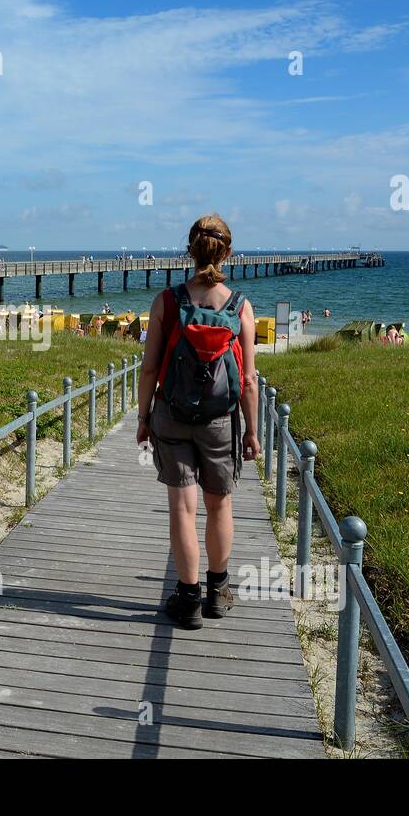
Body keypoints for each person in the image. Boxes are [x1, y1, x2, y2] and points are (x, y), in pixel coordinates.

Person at [136, 215, 259, 630]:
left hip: (171, 415)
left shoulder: (167, 302)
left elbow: (149, 369)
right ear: (228, 253)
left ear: (190, 250)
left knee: (182, 508)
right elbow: (248, 380)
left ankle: (188, 599)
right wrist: (253, 431)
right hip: (220, 420)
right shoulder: (240, 306)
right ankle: (218, 591)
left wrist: (143, 418)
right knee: (219, 503)